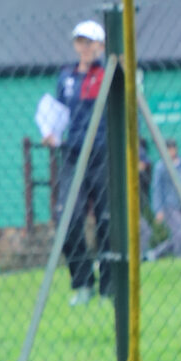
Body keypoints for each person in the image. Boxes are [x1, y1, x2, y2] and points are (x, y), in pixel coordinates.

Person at [48, 19, 110, 302]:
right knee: (68, 218)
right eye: (80, 42)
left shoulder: (109, 74)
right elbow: (59, 115)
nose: (85, 47)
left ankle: (110, 286)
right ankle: (83, 283)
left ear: (101, 46)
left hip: (103, 155)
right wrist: (51, 134)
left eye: (90, 42)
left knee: (107, 221)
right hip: (73, 156)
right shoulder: (66, 78)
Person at [151, 139, 181, 259]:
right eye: (169, 150)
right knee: (180, 235)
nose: (172, 152)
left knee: (178, 236)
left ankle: (155, 253)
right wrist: (158, 210)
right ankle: (180, 258)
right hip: (168, 205)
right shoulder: (160, 167)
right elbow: (157, 189)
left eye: (173, 149)